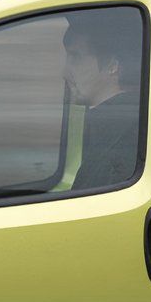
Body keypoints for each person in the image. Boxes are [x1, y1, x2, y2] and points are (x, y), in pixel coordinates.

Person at [61, 11, 143, 190]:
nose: (65, 73)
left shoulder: (122, 139)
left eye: (76, 57)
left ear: (112, 66)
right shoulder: (114, 127)